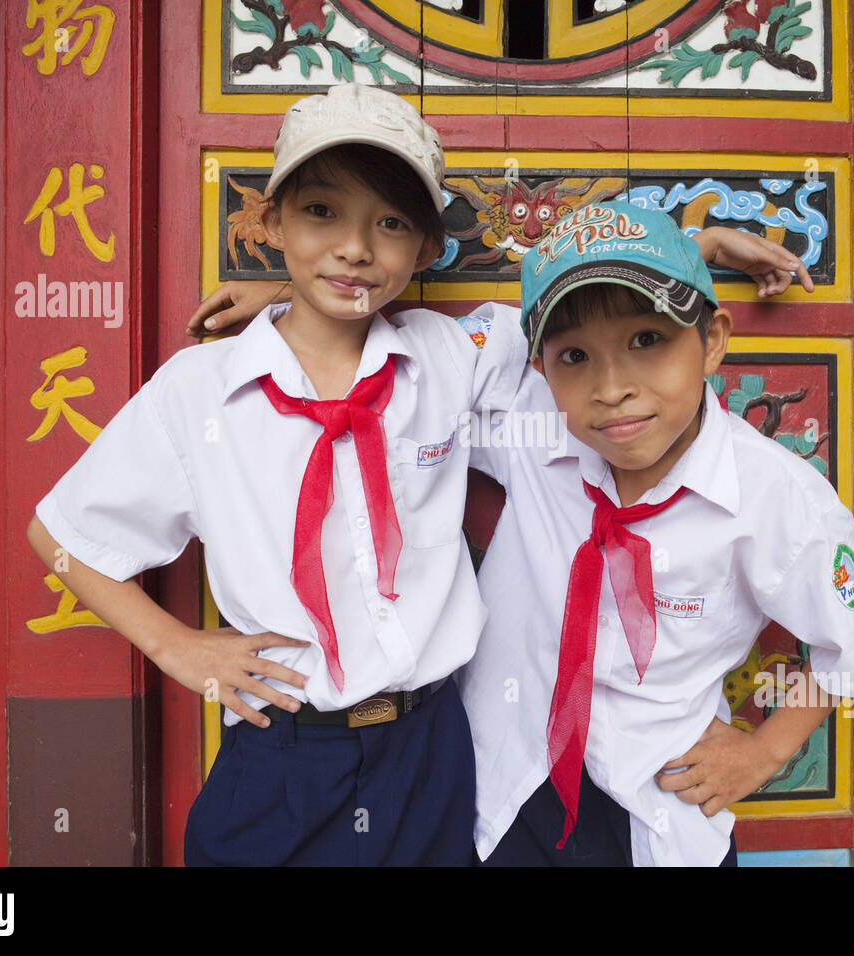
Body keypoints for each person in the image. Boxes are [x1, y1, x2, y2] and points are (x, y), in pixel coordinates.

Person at [27, 83, 529, 865]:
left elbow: (567, 318)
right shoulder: (200, 390)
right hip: (287, 755)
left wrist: (695, 249)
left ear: (427, 253)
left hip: (429, 749)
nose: (355, 248)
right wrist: (176, 648)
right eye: (321, 213)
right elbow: (63, 534)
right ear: (270, 222)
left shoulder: (442, 354)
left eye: (391, 225)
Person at [458, 199, 854, 866]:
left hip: (662, 807)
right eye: (575, 356)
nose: (611, 388)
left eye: (648, 341)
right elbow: (392, 348)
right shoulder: (532, 423)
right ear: (539, 367)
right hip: (510, 791)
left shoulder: (770, 496)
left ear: (714, 342)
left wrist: (765, 750)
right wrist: (283, 293)